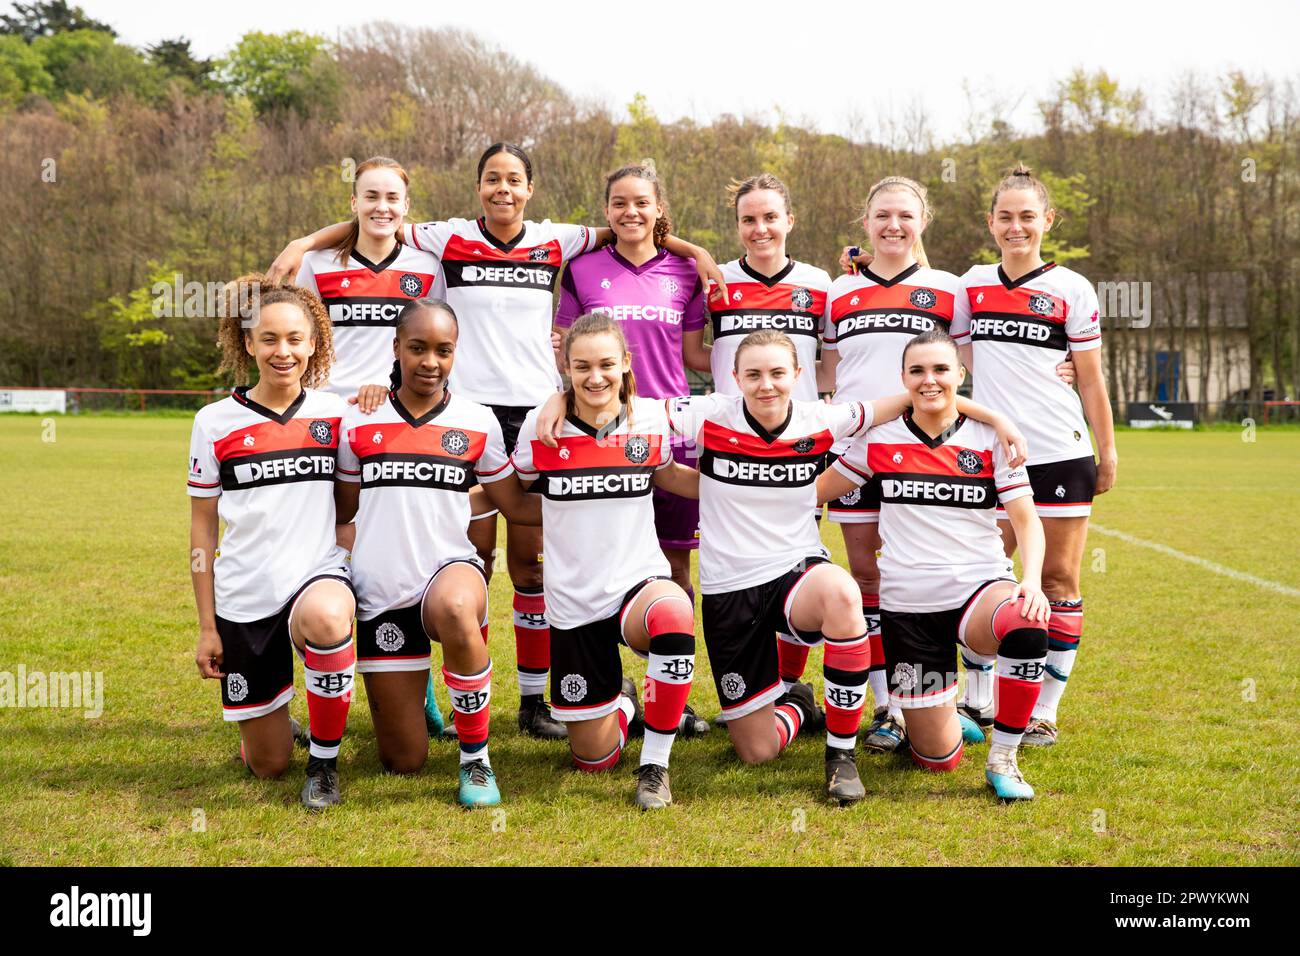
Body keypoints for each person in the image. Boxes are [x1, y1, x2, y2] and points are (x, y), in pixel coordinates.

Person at [268, 143, 724, 740]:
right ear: (478, 187)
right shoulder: (448, 238)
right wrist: (304, 243)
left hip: (539, 413)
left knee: (533, 561)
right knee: (469, 563)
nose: (502, 189)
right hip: (467, 415)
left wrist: (696, 251)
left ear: (530, 188)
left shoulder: (557, 239)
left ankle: (535, 701)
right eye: (491, 179)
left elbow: (633, 226)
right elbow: (376, 219)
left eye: (513, 179)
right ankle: (455, 700)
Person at [536, 329, 1025, 802]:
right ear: (734, 377)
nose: (765, 385)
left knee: (842, 594)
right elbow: (607, 397)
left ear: (797, 373)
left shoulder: (824, 418)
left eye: (776, 373)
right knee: (756, 752)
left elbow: (919, 395)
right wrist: (560, 396)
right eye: (753, 375)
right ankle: (798, 705)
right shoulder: (704, 414)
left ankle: (841, 757)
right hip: (729, 589)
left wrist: (996, 418)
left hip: (796, 570)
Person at [818, 329, 1050, 800]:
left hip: (979, 590)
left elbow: (1026, 520)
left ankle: (1004, 758)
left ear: (960, 374)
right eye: (917, 371)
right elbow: (817, 490)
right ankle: (945, 716)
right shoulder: (879, 437)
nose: (930, 380)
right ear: (903, 378)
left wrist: (1032, 580)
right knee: (937, 761)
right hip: (909, 607)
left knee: (1026, 622)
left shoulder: (990, 438)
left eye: (941, 369)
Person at [335, 297, 539, 807]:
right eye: (418, 348)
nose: (431, 362)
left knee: (454, 607)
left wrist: (601, 494)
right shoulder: (357, 419)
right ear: (396, 348)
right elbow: (340, 506)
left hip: (449, 570)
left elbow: (512, 502)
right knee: (403, 761)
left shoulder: (477, 421)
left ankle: (476, 760)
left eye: (443, 350)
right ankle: (419, 688)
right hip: (379, 590)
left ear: (455, 353)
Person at [951, 164, 1117, 747]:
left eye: (1027, 216)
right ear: (990, 223)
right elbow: (954, 353)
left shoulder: (1071, 288)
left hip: (1062, 452)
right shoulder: (970, 283)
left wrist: (1108, 450)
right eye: (1005, 216)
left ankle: (1045, 708)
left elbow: (1092, 381)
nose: (1016, 226)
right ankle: (977, 700)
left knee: (1058, 577)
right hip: (991, 455)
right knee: (982, 574)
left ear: (1047, 221)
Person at [510, 313, 703, 809]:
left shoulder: (652, 418)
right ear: (566, 368)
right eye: (582, 367)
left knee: (675, 613)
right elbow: (514, 496)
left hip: (637, 581)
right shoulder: (541, 425)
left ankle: (656, 765)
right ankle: (626, 703)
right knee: (593, 759)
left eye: (606, 365)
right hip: (573, 602)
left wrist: (743, 493)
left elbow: (670, 474)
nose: (595, 377)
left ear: (625, 364)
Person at [293, 156, 449, 737]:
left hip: (395, 424)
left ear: (406, 208)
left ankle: (421, 691)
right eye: (370, 196)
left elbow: (433, 341)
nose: (381, 206)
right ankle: (317, 694)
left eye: (392, 197)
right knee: (321, 548)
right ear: (353, 202)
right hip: (326, 422)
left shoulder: (426, 266)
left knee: (394, 554)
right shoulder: (317, 264)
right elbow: (296, 336)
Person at [189, 275, 356, 809]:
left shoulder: (337, 414)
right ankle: (273, 721)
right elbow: (202, 530)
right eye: (268, 339)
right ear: (246, 343)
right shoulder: (213, 422)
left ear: (314, 343)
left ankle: (325, 766)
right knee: (268, 765)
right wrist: (208, 627)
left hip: (316, 576)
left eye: (294, 339)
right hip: (246, 591)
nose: (282, 352)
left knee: (329, 619)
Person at [686, 173, 834, 730]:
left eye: (771, 217)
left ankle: (787, 686)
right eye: (748, 219)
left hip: (798, 445)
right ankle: (765, 691)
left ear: (790, 220)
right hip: (730, 443)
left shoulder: (822, 284)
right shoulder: (717, 281)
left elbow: (833, 361)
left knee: (791, 558)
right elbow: (696, 356)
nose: (760, 228)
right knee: (742, 560)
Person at [555, 161, 707, 614]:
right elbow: (564, 351)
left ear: (658, 208)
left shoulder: (686, 270)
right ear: (606, 209)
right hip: (603, 430)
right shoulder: (581, 268)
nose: (630, 212)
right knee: (606, 563)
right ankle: (615, 679)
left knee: (676, 565)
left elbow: (696, 356)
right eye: (619, 203)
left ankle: (665, 672)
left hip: (672, 431)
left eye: (642, 202)